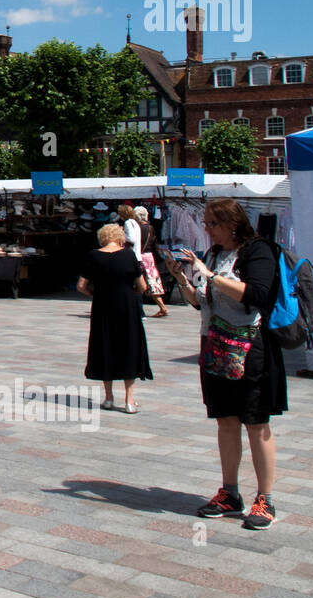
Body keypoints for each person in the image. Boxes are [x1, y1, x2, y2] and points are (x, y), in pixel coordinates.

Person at [164, 198, 286, 531]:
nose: (206, 229)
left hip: (250, 348)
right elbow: (200, 302)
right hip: (215, 345)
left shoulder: (258, 251)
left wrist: (211, 276)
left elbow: (256, 294)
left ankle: (265, 498)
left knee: (256, 422)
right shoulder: (213, 254)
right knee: (226, 420)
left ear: (232, 223)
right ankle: (229, 492)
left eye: (211, 223)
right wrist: (184, 280)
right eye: (205, 223)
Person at [77, 223, 152, 413]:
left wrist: (96, 294)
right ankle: (129, 400)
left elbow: (81, 286)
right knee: (129, 347)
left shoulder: (94, 255)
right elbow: (142, 286)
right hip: (127, 306)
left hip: (103, 306)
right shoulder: (128, 255)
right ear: (120, 236)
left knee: (105, 346)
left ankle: (109, 398)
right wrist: (131, 292)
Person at [134, 206, 169, 317]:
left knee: (138, 282)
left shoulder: (136, 228)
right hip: (149, 257)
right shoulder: (150, 228)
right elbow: (154, 243)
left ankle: (139, 309)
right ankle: (162, 307)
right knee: (152, 282)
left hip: (139, 256)